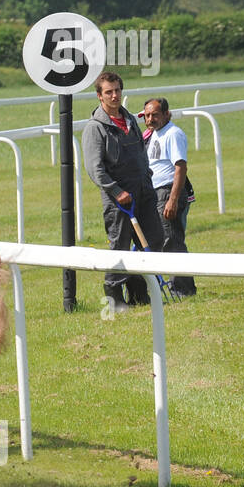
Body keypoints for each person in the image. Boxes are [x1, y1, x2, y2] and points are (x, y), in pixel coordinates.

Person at [81, 71, 165, 310]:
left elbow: (142, 155)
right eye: (109, 92)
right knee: (120, 244)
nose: (115, 95)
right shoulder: (95, 128)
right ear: (100, 96)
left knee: (154, 238)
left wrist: (147, 181)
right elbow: (95, 169)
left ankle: (138, 290)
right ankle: (114, 296)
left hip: (144, 191)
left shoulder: (130, 120)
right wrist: (117, 191)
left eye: (117, 90)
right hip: (118, 198)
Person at [143, 98, 197, 296]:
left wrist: (172, 200)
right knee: (163, 239)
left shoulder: (173, 134)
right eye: (147, 115)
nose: (150, 119)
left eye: (155, 114)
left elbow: (180, 167)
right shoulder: (154, 134)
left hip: (168, 192)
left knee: (172, 240)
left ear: (166, 114)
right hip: (155, 193)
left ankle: (183, 288)